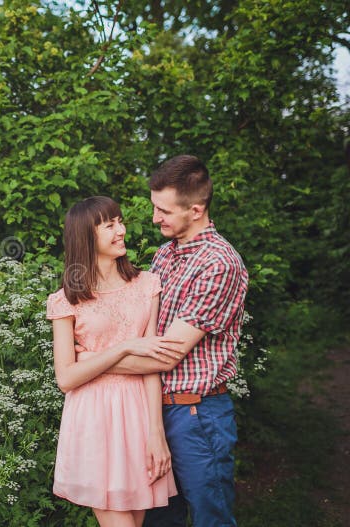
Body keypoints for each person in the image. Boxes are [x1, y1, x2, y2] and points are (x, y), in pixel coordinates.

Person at [106, 155, 248, 527]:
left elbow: (165, 355)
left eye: (164, 211)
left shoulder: (219, 264)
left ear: (196, 209)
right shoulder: (165, 255)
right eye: (155, 207)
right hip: (151, 410)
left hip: (195, 415)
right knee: (157, 519)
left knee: (209, 517)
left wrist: (88, 364)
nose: (155, 218)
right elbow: (140, 331)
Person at [46, 196, 183, 527]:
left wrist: (156, 433)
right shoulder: (66, 300)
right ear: (85, 237)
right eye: (109, 226)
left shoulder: (147, 285)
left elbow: (154, 364)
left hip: (138, 416)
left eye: (120, 222)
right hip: (93, 419)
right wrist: (123, 349)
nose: (121, 230)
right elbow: (66, 378)